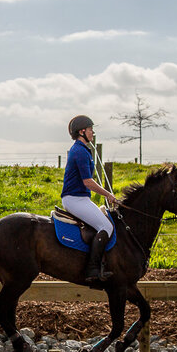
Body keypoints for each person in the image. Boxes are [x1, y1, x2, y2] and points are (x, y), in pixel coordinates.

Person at [61, 115, 120, 280]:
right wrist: (108, 194)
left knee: (105, 224)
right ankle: (92, 270)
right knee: (106, 227)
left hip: (80, 198)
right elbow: (88, 182)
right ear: (82, 131)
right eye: (90, 129)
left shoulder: (82, 150)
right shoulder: (79, 151)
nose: (92, 133)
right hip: (74, 199)